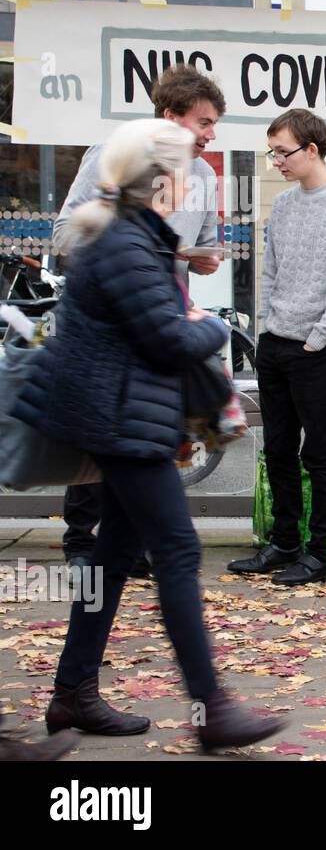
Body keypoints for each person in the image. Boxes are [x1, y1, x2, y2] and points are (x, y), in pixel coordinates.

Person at [11, 118, 285, 751]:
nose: (194, 176)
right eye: (188, 164)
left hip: (126, 416)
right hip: (121, 424)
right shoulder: (127, 243)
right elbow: (165, 339)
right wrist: (216, 327)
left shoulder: (132, 234)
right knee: (178, 553)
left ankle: (72, 694)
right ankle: (211, 709)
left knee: (111, 556)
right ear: (164, 179)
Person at [50, 63, 225, 570]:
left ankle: (133, 545)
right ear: (171, 116)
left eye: (214, 123)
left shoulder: (206, 173)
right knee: (102, 438)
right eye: (204, 121)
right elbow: (66, 235)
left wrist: (199, 256)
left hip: (162, 324)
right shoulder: (110, 157)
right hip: (110, 332)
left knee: (151, 441)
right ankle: (82, 543)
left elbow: (206, 246)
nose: (212, 133)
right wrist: (133, 252)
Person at [227, 109, 326, 586]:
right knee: (278, 448)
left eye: (282, 152)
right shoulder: (284, 205)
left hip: (319, 351)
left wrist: (317, 338)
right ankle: (284, 543)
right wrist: (270, 324)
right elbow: (272, 270)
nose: (276, 162)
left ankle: (320, 553)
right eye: (272, 153)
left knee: (320, 453)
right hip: (276, 342)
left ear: (312, 149)